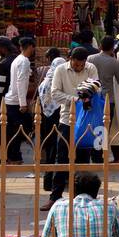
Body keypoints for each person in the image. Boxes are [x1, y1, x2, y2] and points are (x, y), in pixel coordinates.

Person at [46, 47, 99, 203]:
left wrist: (88, 93)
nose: (79, 68)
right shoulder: (61, 70)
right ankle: (55, 197)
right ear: (70, 59)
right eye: (77, 65)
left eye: (82, 65)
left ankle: (81, 198)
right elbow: (55, 94)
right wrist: (75, 100)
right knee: (61, 158)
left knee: (83, 160)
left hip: (86, 121)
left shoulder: (91, 68)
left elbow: (96, 87)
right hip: (66, 119)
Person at [88, 36, 119, 163]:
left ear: (100, 46)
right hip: (107, 100)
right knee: (104, 127)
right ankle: (100, 154)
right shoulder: (114, 62)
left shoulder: (91, 59)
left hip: (92, 97)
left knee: (91, 125)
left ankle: (92, 153)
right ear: (112, 48)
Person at [35, 47, 66, 191]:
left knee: (49, 151)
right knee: (60, 151)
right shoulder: (60, 81)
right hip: (59, 119)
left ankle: (48, 182)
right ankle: (56, 181)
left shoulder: (45, 81)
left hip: (46, 120)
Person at [3, 36, 36, 165]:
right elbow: (21, 82)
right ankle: (14, 156)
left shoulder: (17, 60)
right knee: (18, 131)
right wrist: (23, 103)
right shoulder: (24, 61)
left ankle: (12, 156)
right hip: (16, 101)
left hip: (12, 99)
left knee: (13, 131)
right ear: (30, 47)